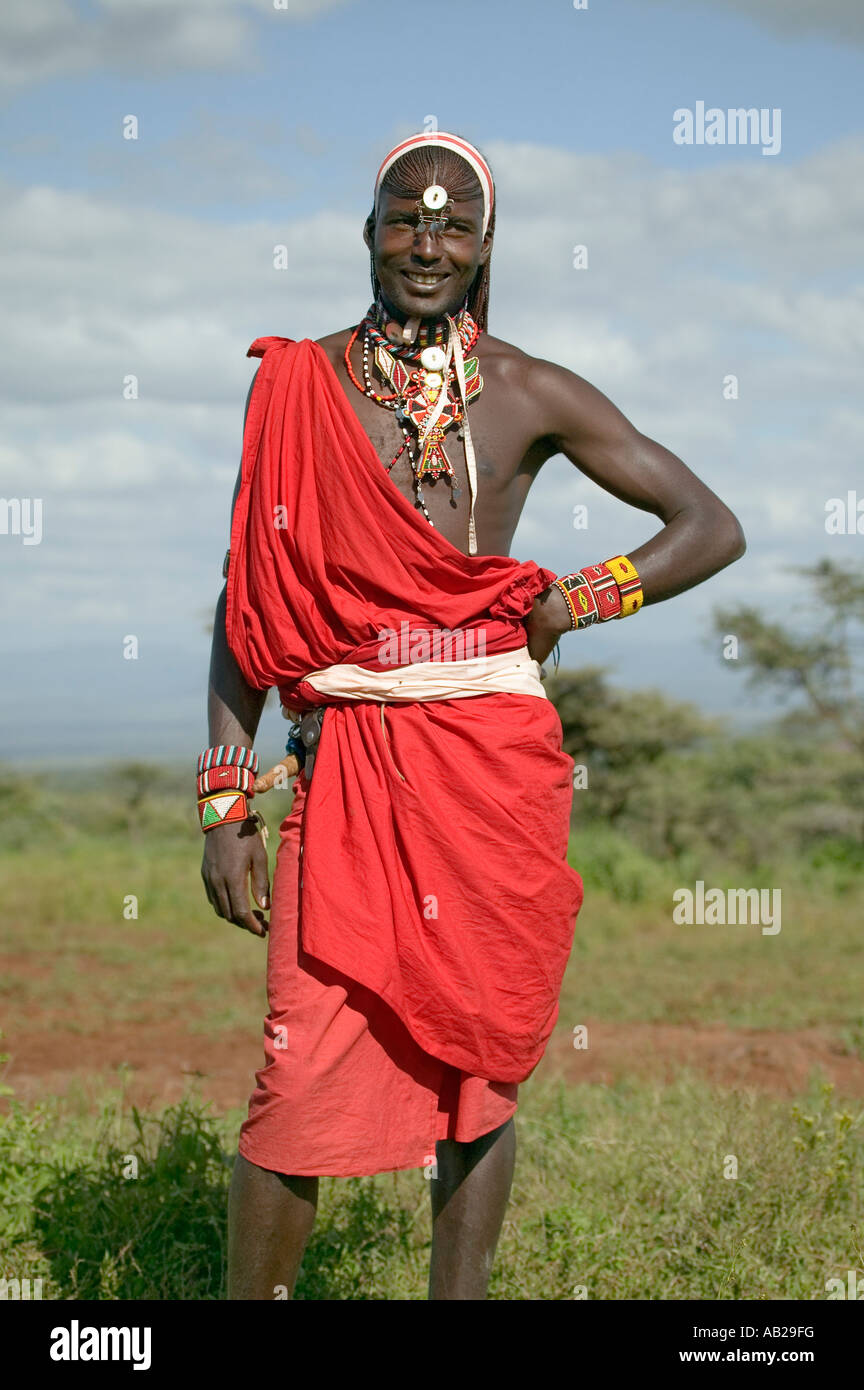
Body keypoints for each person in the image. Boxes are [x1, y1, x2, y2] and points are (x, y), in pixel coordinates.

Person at [199, 130, 745, 1301]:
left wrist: (576, 598)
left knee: (479, 1064)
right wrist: (225, 795)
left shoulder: (531, 390)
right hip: (341, 762)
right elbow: (248, 593)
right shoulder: (299, 384)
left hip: (487, 767)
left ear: (485, 246)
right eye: (405, 219)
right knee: (295, 1072)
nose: (426, 243)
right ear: (368, 234)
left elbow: (708, 524)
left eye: (451, 225)